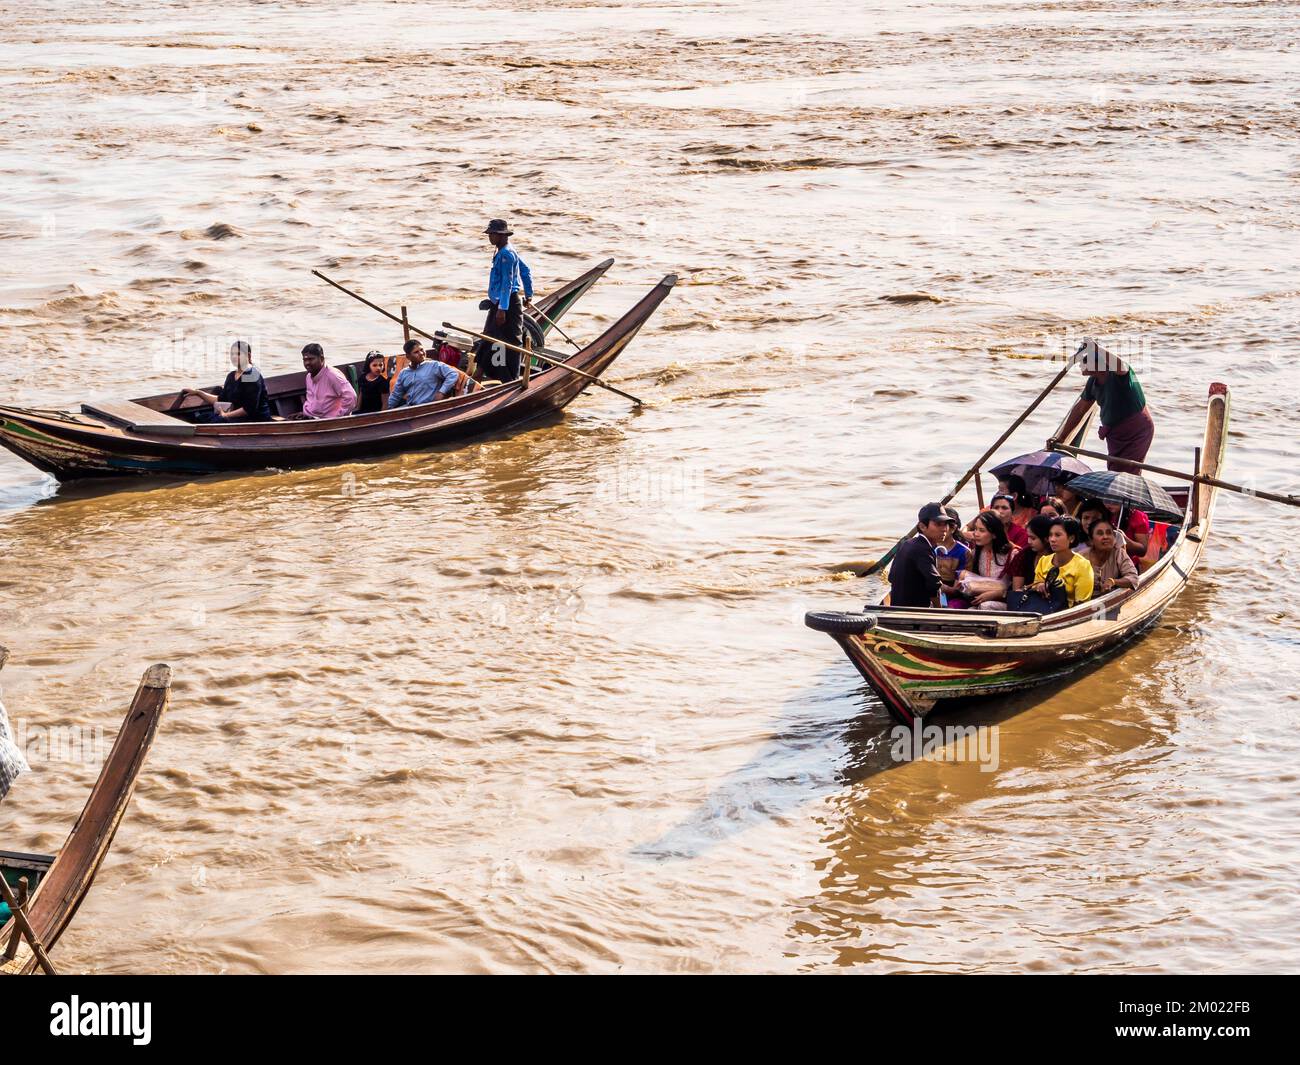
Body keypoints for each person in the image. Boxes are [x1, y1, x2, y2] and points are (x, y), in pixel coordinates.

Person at [1062, 338, 1155, 471]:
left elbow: (1122, 366)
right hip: (1116, 434)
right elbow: (1080, 409)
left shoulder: (1118, 374)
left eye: (1083, 361)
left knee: (1125, 473)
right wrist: (1061, 437)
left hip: (1136, 432)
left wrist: (1097, 348)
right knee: (1115, 469)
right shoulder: (1092, 383)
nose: (1080, 365)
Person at [475, 218, 534, 383]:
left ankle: (512, 380)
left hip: (507, 305)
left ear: (502, 235)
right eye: (489, 234)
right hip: (499, 303)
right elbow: (525, 270)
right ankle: (478, 375)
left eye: (493, 234)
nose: (490, 237)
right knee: (489, 339)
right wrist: (529, 294)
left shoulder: (507, 254)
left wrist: (502, 309)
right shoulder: (503, 250)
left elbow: (507, 284)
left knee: (511, 342)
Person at [178, 341, 273, 422]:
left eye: (238, 354)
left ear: (248, 355)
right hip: (235, 416)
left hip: (254, 420)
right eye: (232, 354)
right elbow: (221, 400)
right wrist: (198, 393)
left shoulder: (252, 375)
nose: (234, 357)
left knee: (217, 421)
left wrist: (226, 415)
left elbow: (250, 409)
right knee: (200, 417)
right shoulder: (231, 376)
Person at [888, 503, 948, 608]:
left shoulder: (908, 543)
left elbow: (890, 577)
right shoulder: (922, 549)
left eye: (945, 524)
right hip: (913, 612)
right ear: (922, 526)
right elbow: (934, 584)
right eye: (938, 524)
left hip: (898, 606)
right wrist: (940, 610)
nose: (944, 529)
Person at [1027, 517, 1094, 611]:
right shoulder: (1043, 561)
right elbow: (1034, 587)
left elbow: (1081, 604)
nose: (1052, 539)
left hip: (1069, 615)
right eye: (1050, 535)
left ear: (1071, 538)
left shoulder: (1083, 565)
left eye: (1057, 535)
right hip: (1041, 612)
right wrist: (1039, 586)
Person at [959, 510, 1018, 611]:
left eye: (982, 530)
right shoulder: (975, 553)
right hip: (980, 601)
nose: (976, 534)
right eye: (975, 529)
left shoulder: (1013, 554)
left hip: (1006, 602)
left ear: (995, 534)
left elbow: (1017, 590)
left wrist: (995, 594)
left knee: (986, 606)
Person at [387, 338, 462, 408]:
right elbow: (396, 394)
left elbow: (453, 374)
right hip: (410, 407)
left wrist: (441, 392)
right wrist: (389, 409)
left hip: (429, 408)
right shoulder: (404, 373)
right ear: (408, 356)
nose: (421, 353)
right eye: (416, 352)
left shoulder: (434, 365)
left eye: (422, 350)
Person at [1080, 518, 1139, 595]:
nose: (1105, 537)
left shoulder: (1118, 553)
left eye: (1109, 533)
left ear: (1114, 537)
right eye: (1100, 533)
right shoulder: (1081, 558)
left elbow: (1133, 578)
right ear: (1091, 540)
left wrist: (1113, 581)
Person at [300, 343, 356, 420]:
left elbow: (351, 397)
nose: (307, 363)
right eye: (305, 360)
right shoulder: (308, 377)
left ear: (322, 359)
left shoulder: (333, 375)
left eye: (311, 359)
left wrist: (339, 417)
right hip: (310, 418)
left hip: (328, 421)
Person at [1009, 515, 1055, 603]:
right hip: (1026, 602)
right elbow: (1017, 591)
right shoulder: (1024, 554)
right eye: (1028, 537)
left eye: (1033, 538)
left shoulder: (1056, 555)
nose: (1029, 541)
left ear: (1046, 538)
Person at [935, 506, 971, 608]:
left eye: (942, 526)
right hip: (932, 591)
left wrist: (940, 588)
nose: (938, 530)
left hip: (954, 597)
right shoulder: (928, 547)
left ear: (953, 528)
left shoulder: (963, 552)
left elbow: (958, 589)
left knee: (950, 608)